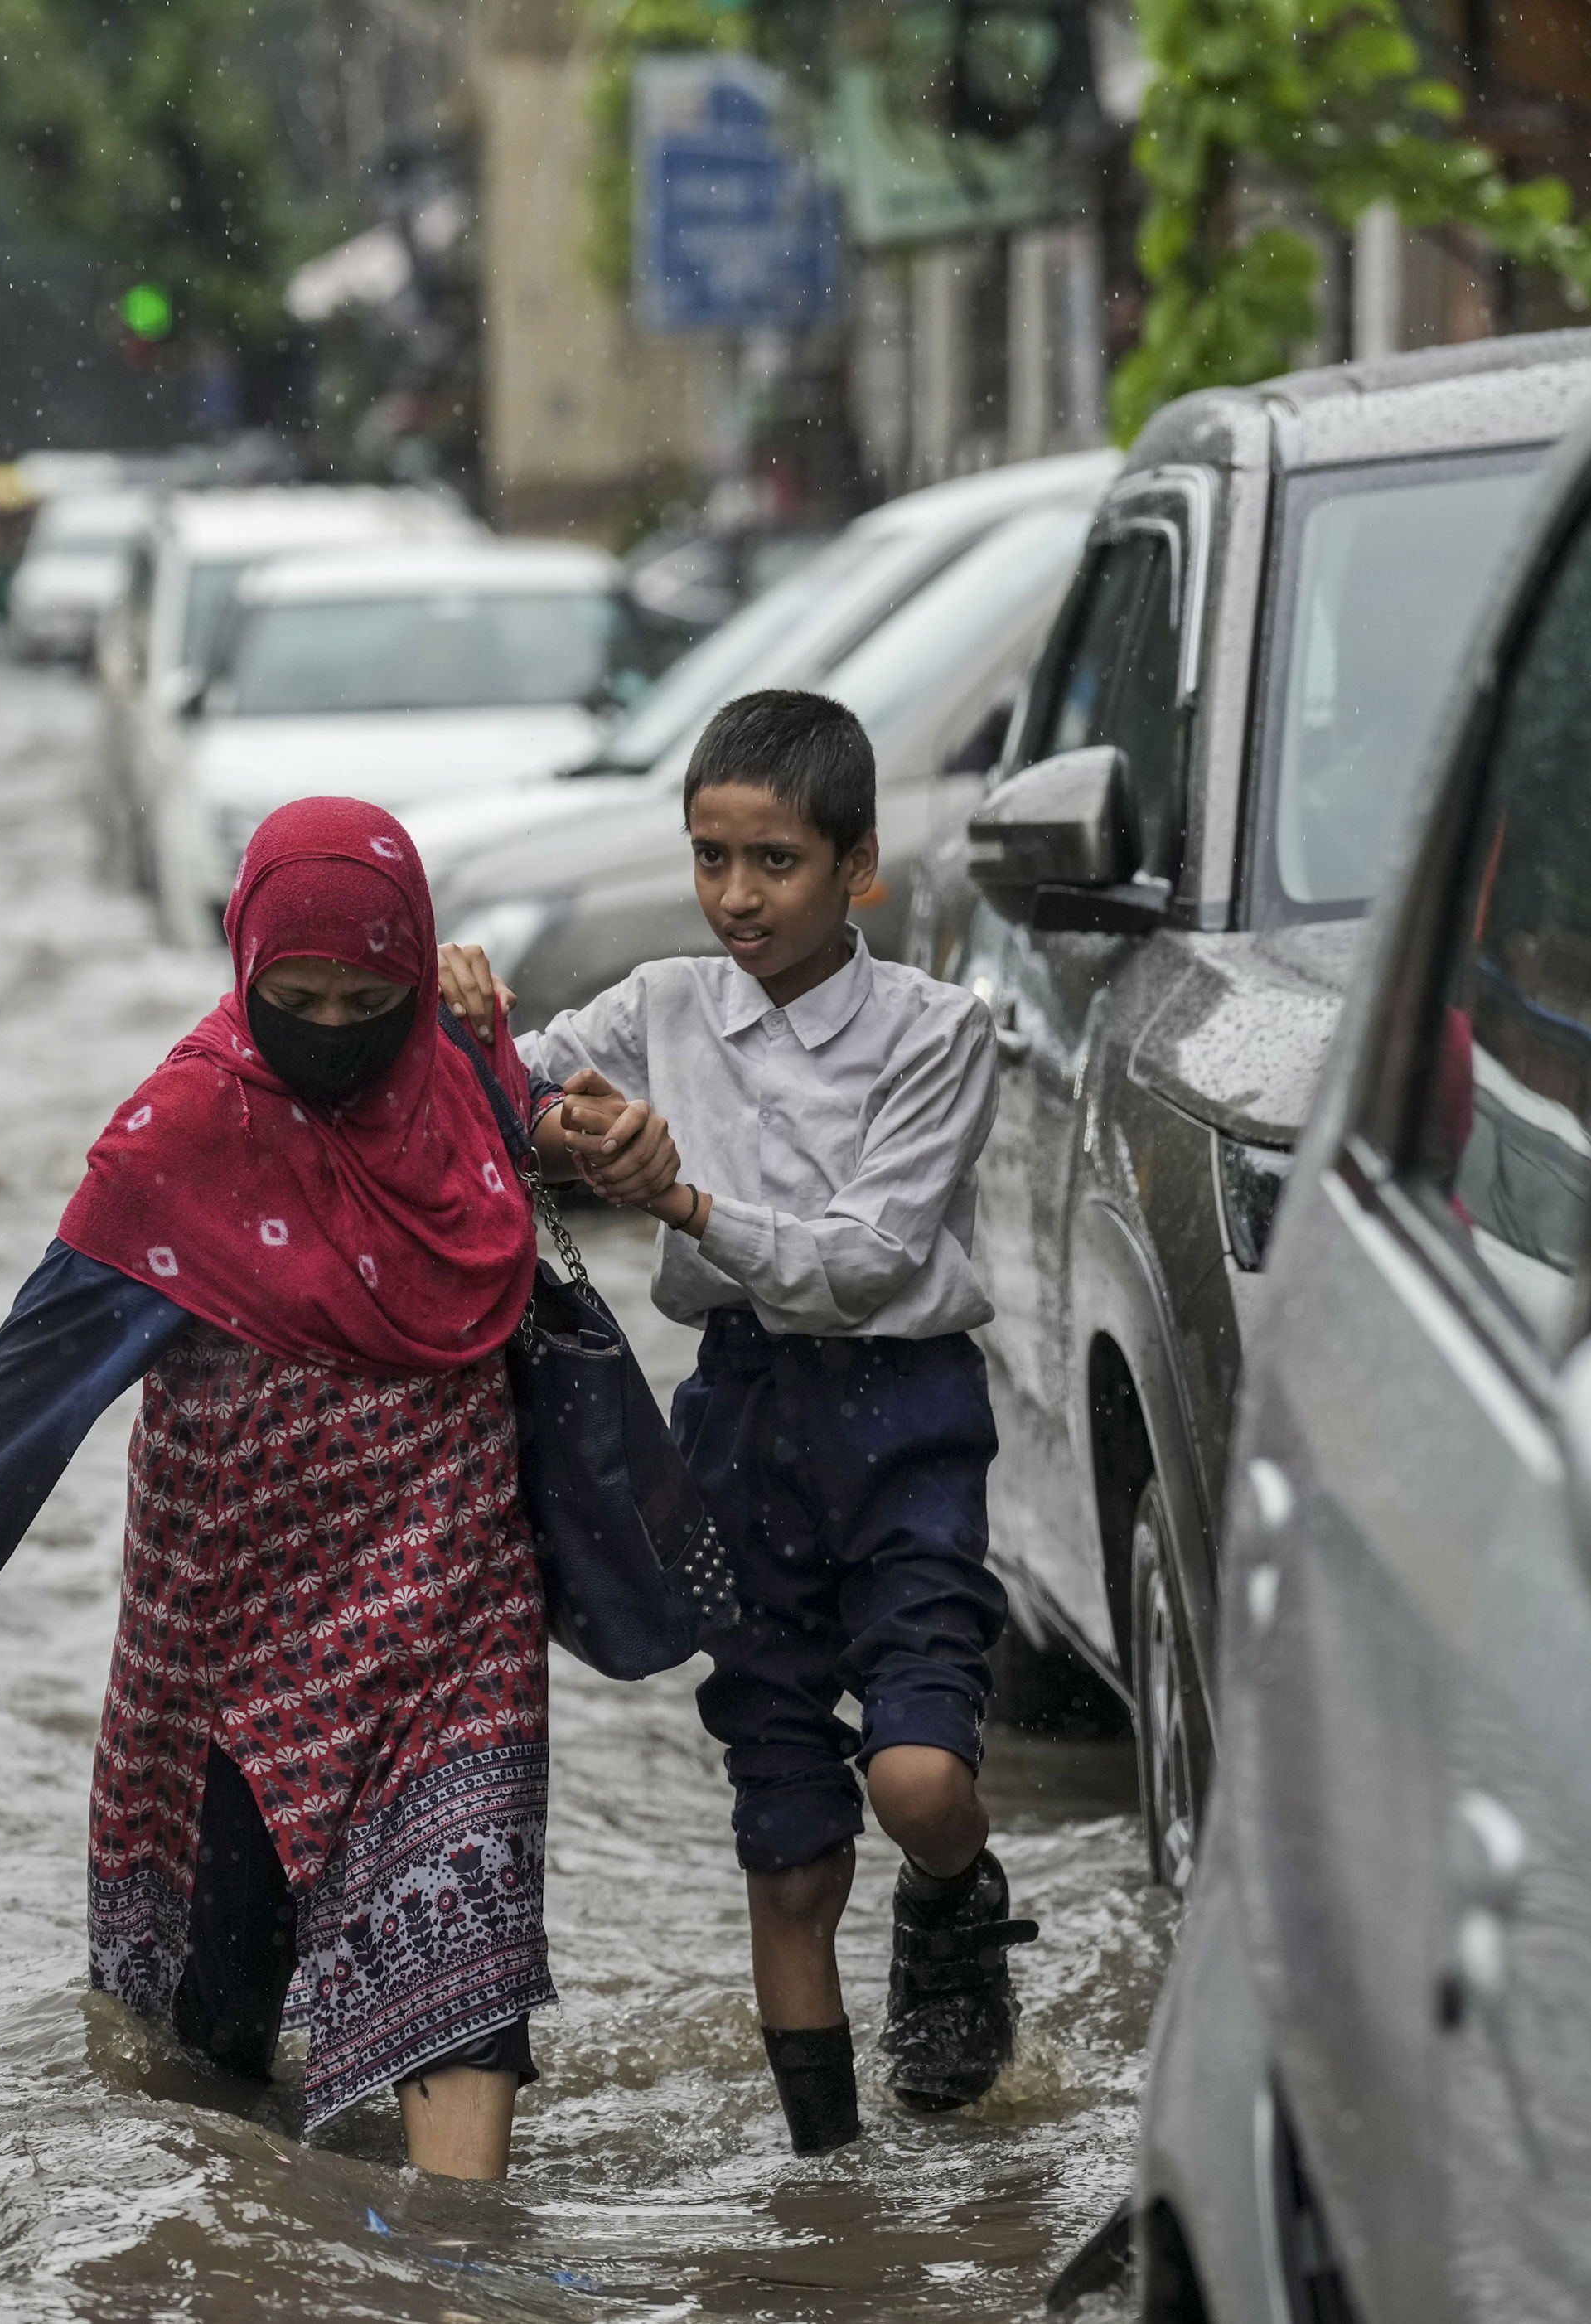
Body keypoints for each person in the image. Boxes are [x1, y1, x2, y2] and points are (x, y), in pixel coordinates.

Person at [0, 797, 677, 2177]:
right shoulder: (183, 1136)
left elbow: (539, 1124)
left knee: (467, 1937)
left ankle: (461, 2253)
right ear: (243, 969)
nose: (330, 1030)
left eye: (364, 1001)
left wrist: (596, 1133)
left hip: (455, 1597)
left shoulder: (457, 1072)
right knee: (221, 2031)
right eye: (293, 1001)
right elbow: (32, 1386)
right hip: (241, 1640)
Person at [438, 688, 1034, 2156]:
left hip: (904, 1425)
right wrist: (492, 1049)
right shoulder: (658, 1006)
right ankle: (828, 2194)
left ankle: (955, 1897)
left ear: (858, 867)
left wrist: (680, 1198)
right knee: (784, 1840)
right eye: (711, 858)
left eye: (775, 861)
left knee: (917, 1778)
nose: (737, 897)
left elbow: (871, 1258)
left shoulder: (937, 1031)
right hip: (733, 1420)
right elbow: (503, 1100)